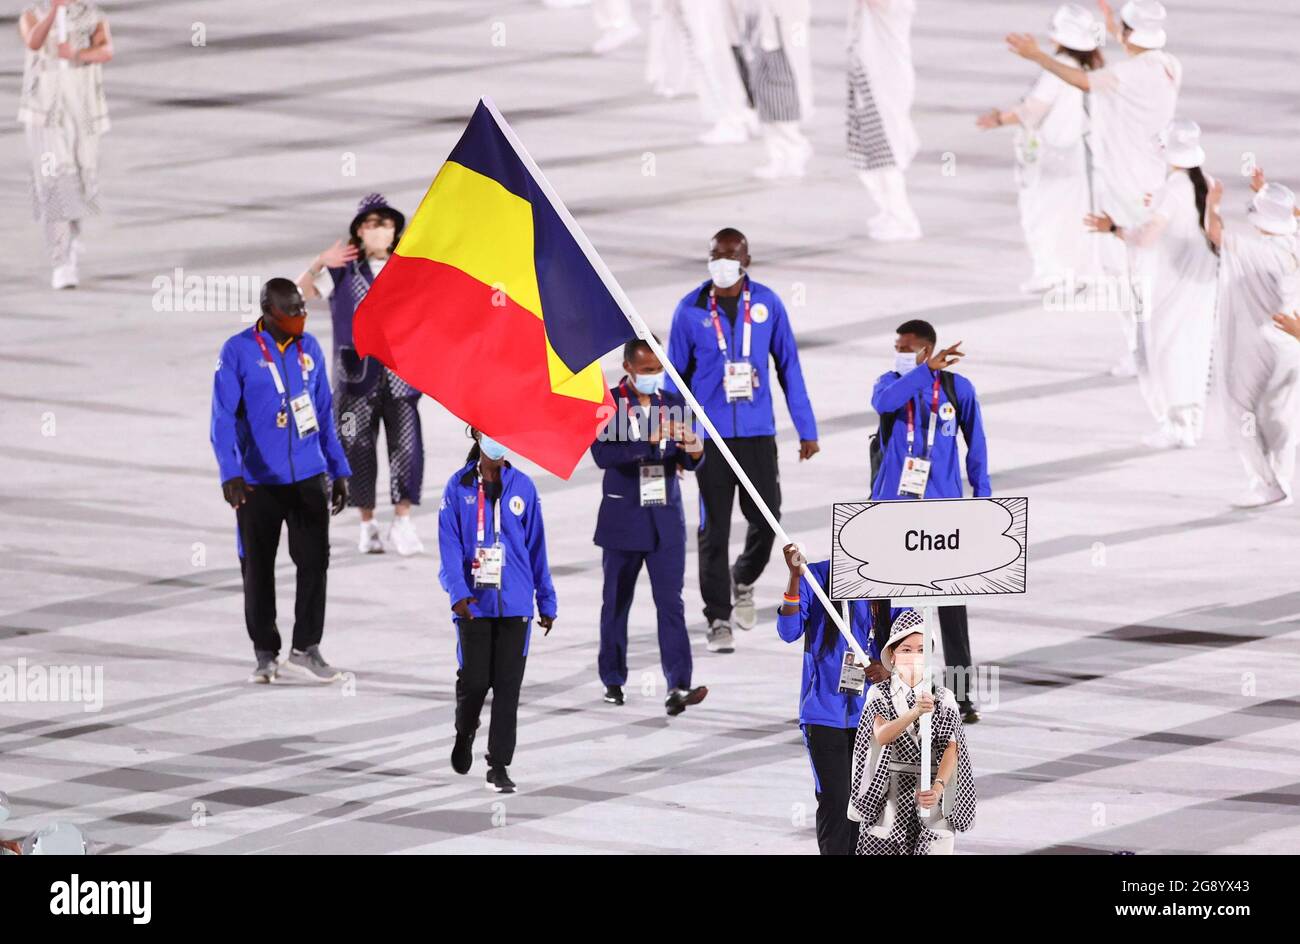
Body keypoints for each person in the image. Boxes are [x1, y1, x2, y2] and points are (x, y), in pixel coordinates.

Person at [666, 227, 819, 654]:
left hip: (756, 434)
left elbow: (789, 367)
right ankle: (717, 616)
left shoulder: (767, 304)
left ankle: (744, 578)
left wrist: (806, 429)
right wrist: (679, 440)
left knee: (767, 517)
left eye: (731, 255)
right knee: (712, 529)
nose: (722, 262)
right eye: (716, 254)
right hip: (709, 437)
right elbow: (673, 380)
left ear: (746, 260)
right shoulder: (690, 310)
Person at [1008, 0, 1182, 375]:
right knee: (1144, 268)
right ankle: (1154, 348)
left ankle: (1142, 353)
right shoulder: (1168, 66)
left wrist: (1038, 55)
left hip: (1123, 185)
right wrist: (1113, 23)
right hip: (1152, 177)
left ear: (1130, 35)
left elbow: (1083, 80)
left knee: (1125, 271)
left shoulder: (1124, 76)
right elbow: (1136, 52)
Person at [211, 279, 352, 684]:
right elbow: (221, 418)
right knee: (258, 568)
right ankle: (264, 653)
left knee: (314, 563)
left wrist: (338, 469)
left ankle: (306, 647)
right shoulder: (237, 351)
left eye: (302, 310)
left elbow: (324, 414)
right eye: (291, 312)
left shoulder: (309, 350)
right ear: (269, 312)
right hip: (257, 482)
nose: (300, 318)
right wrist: (230, 472)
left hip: (308, 476)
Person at [870, 319, 989, 722]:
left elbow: (977, 444)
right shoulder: (889, 383)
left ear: (927, 348)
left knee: (951, 607)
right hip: (893, 508)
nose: (900, 353)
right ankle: (890, 685)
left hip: (944, 512)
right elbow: (884, 406)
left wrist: (982, 499)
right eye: (897, 347)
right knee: (888, 604)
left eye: (908, 348)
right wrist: (924, 371)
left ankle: (960, 695)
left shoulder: (958, 389)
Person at [297, 193, 426, 557]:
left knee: (407, 446)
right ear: (358, 232)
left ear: (395, 230)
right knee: (357, 447)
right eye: (370, 225)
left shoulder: (410, 269)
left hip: (401, 376)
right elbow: (298, 293)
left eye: (384, 224)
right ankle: (367, 524)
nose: (378, 231)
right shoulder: (342, 271)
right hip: (355, 379)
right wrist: (319, 261)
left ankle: (402, 521)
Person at [591, 340, 710, 715]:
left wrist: (693, 448)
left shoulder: (674, 403)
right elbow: (601, 454)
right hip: (623, 518)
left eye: (657, 368)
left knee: (671, 603)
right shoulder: (610, 404)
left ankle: (678, 685)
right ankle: (612, 678)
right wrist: (647, 441)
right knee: (616, 602)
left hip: (665, 521)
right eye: (645, 370)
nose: (652, 375)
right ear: (627, 367)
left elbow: (693, 462)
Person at [1085, 119, 1218, 448]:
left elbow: (1146, 239)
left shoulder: (1174, 188)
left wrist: (1114, 229)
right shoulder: (1204, 183)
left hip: (1169, 286)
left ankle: (1174, 425)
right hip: (1200, 283)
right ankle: (1190, 424)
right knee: (1192, 351)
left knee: (1162, 353)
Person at [439, 429, 557, 794]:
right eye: (491, 432)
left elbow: (537, 548)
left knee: (508, 688)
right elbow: (449, 544)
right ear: (475, 433)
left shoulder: (524, 487)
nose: (499, 439)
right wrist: (457, 592)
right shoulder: (456, 487)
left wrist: (546, 600)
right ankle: (465, 730)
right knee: (475, 682)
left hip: (516, 604)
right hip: (473, 605)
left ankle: (499, 764)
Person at [977, 3, 1105, 294]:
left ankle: (1051, 272)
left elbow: (1033, 110)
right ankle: (1082, 271)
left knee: (1043, 214)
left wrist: (998, 119)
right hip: (1082, 155)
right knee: (1077, 214)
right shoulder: (1092, 68)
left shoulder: (1058, 70)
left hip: (1052, 156)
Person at [777, 543, 893, 855]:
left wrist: (889, 666)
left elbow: (911, 638)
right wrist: (793, 576)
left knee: (868, 801)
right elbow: (788, 630)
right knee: (836, 800)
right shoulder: (815, 576)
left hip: (875, 715)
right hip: (823, 713)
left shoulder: (887, 578)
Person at [849, 610, 977, 855]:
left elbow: (952, 747)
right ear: (892, 655)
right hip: (888, 799)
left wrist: (938, 788)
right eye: (906, 649)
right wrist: (915, 711)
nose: (914, 656)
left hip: (929, 796)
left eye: (921, 649)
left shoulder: (943, 698)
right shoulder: (880, 693)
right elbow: (882, 735)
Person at [1208, 176, 1300, 509]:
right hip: (1291, 344)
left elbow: (1215, 233)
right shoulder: (1294, 245)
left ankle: (1267, 484)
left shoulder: (1256, 251)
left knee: (1238, 411)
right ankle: (1281, 479)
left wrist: (1213, 202)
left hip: (1258, 346)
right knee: (1282, 418)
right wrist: (1266, 194)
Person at [18, 1, 112, 290]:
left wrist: (77, 54)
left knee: (80, 179)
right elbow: (33, 41)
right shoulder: (31, 13)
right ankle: (61, 260)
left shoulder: (92, 14)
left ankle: (72, 239)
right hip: (44, 109)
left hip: (82, 107)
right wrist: (53, 15)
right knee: (53, 182)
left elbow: (106, 50)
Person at [846, 0, 923, 241]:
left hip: (886, 80)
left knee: (887, 151)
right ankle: (888, 210)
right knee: (868, 151)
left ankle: (904, 220)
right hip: (869, 75)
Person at [736, 0, 814, 179]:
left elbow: (798, 32)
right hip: (765, 47)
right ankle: (778, 158)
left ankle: (796, 150)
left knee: (784, 106)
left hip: (784, 53)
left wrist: (797, 56)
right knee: (767, 107)